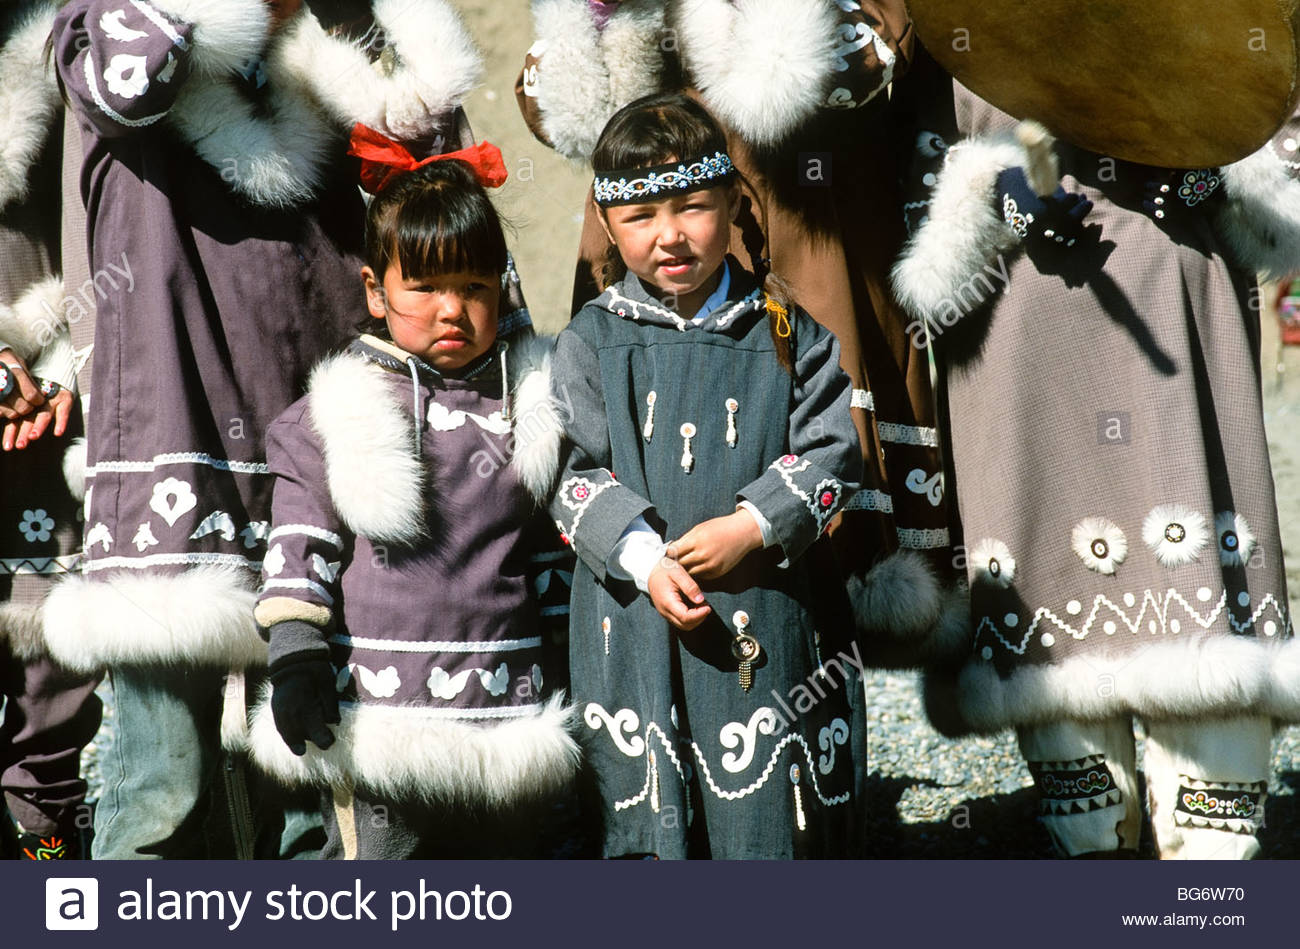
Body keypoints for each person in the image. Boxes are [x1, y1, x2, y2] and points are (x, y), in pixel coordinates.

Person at [42, 0, 494, 858]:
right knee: (161, 793)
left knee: (314, 804)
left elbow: (443, 202)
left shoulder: (351, 25)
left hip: (319, 447)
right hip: (173, 449)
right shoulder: (107, 22)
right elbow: (123, 85)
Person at [892, 49, 1300, 859]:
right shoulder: (939, 22)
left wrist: (1207, 175)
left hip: (1177, 289)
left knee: (1205, 619)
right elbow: (898, 145)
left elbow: (1270, 93)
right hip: (1015, 318)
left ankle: (1209, 880)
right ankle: (1095, 856)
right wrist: (987, 194)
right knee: (1050, 591)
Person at [518, 1, 961, 660]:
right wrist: (605, 22)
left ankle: (800, 668)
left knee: (808, 412)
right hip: (659, 213)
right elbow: (558, 110)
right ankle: (655, 617)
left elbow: (877, 54)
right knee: (644, 443)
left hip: (805, 202)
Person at [550, 93, 864, 859]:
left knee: (766, 821)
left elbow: (834, 452)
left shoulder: (786, 330)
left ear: (731, 200)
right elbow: (566, 473)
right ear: (607, 221)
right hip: (631, 617)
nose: (670, 236)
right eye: (640, 217)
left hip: (768, 610)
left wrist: (749, 526)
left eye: (692, 207)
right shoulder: (590, 341)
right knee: (647, 817)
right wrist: (646, 560)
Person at [244, 149, 577, 860]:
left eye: (474, 285)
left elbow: (547, 556)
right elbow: (300, 543)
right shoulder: (341, 411)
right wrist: (296, 655)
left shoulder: (531, 406)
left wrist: (572, 659)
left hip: (505, 716)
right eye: (423, 286)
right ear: (374, 289)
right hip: (380, 723)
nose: (451, 309)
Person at [0, 0, 101, 861]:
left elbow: (118, 223)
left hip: (60, 391)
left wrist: (69, 358)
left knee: (55, 661)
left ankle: (47, 857)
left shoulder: (73, 35)